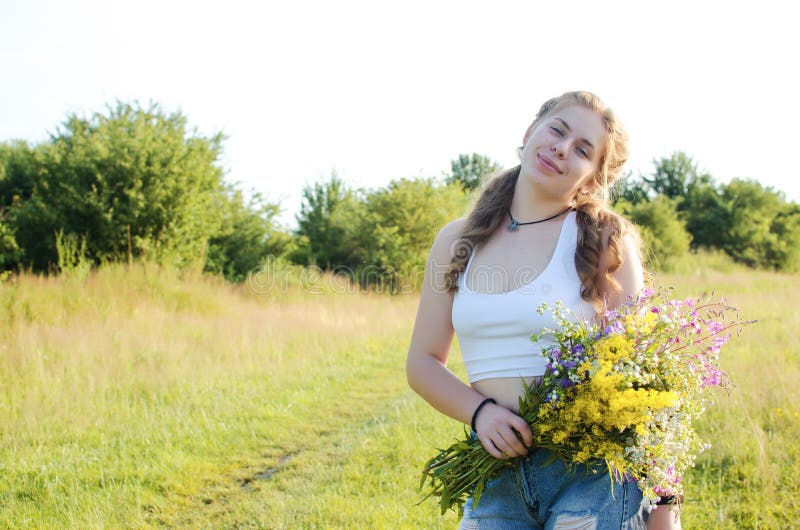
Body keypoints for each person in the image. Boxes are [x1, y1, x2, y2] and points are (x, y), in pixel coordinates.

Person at [406, 91, 681, 530]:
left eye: (583, 150)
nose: (562, 148)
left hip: (593, 474)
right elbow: (422, 363)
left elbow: (646, 381)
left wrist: (665, 506)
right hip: (496, 471)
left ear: (592, 179)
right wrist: (481, 413)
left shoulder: (605, 240)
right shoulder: (457, 240)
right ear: (530, 132)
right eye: (557, 130)